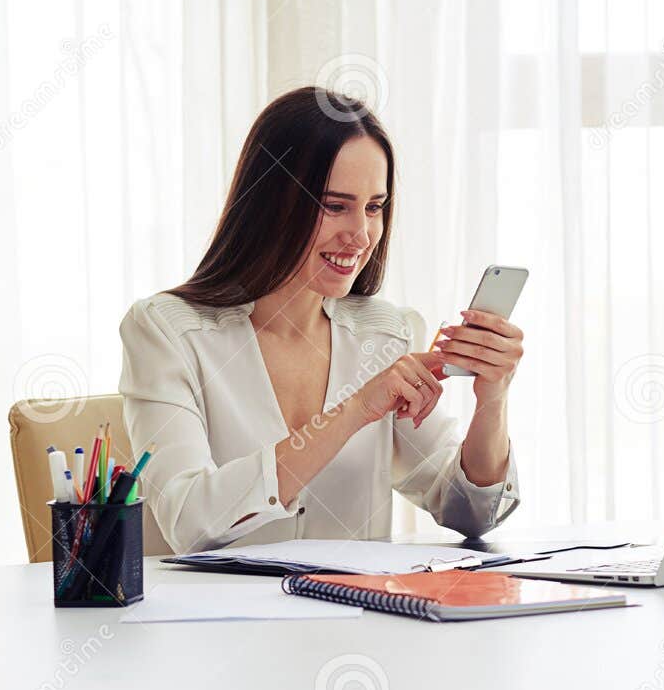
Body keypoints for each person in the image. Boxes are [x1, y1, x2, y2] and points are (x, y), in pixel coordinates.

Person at [119, 87, 523, 554]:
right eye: (335, 206)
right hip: (222, 623)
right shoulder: (167, 331)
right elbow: (191, 521)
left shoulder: (386, 334)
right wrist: (356, 409)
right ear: (269, 202)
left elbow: (471, 513)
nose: (362, 234)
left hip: (358, 621)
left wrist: (493, 396)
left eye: (374, 207)